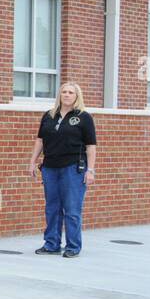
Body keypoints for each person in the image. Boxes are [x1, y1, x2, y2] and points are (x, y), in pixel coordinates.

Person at [29, 82, 97, 258]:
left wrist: (90, 170)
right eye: (64, 92)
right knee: (52, 208)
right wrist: (32, 162)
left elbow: (91, 146)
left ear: (77, 96)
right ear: (59, 95)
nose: (67, 95)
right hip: (50, 168)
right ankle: (51, 244)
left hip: (73, 168)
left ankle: (73, 246)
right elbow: (40, 141)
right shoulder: (49, 116)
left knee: (72, 209)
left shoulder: (84, 117)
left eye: (71, 92)